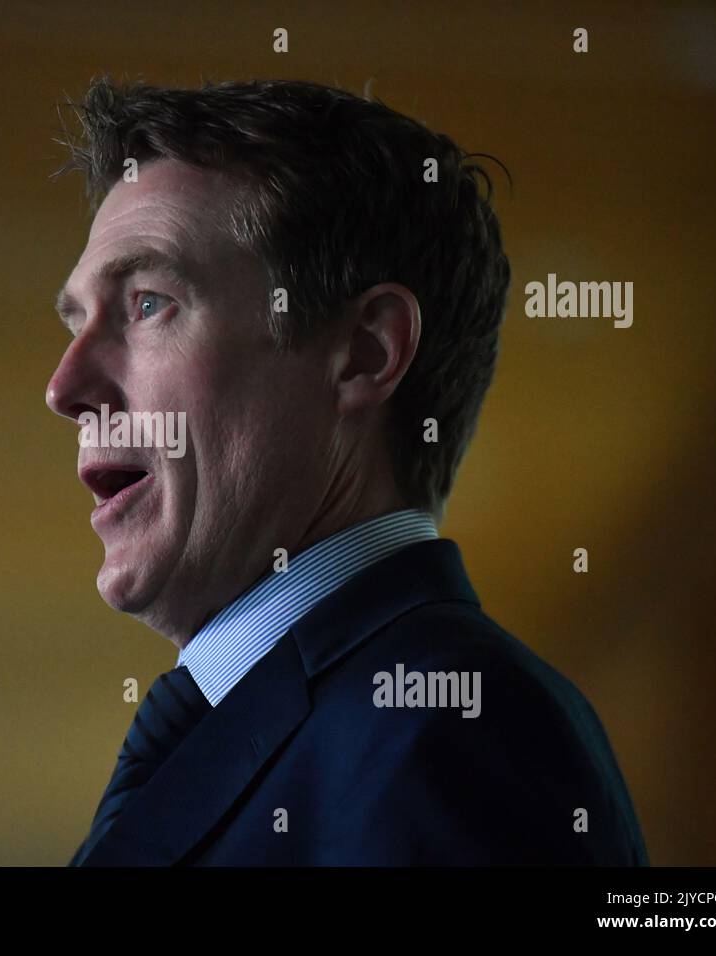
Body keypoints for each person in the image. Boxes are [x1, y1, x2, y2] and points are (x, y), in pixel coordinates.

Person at [46, 76, 647, 866]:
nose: (64, 388)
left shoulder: (451, 726)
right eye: (78, 319)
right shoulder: (340, 722)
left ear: (365, 352)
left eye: (148, 303)